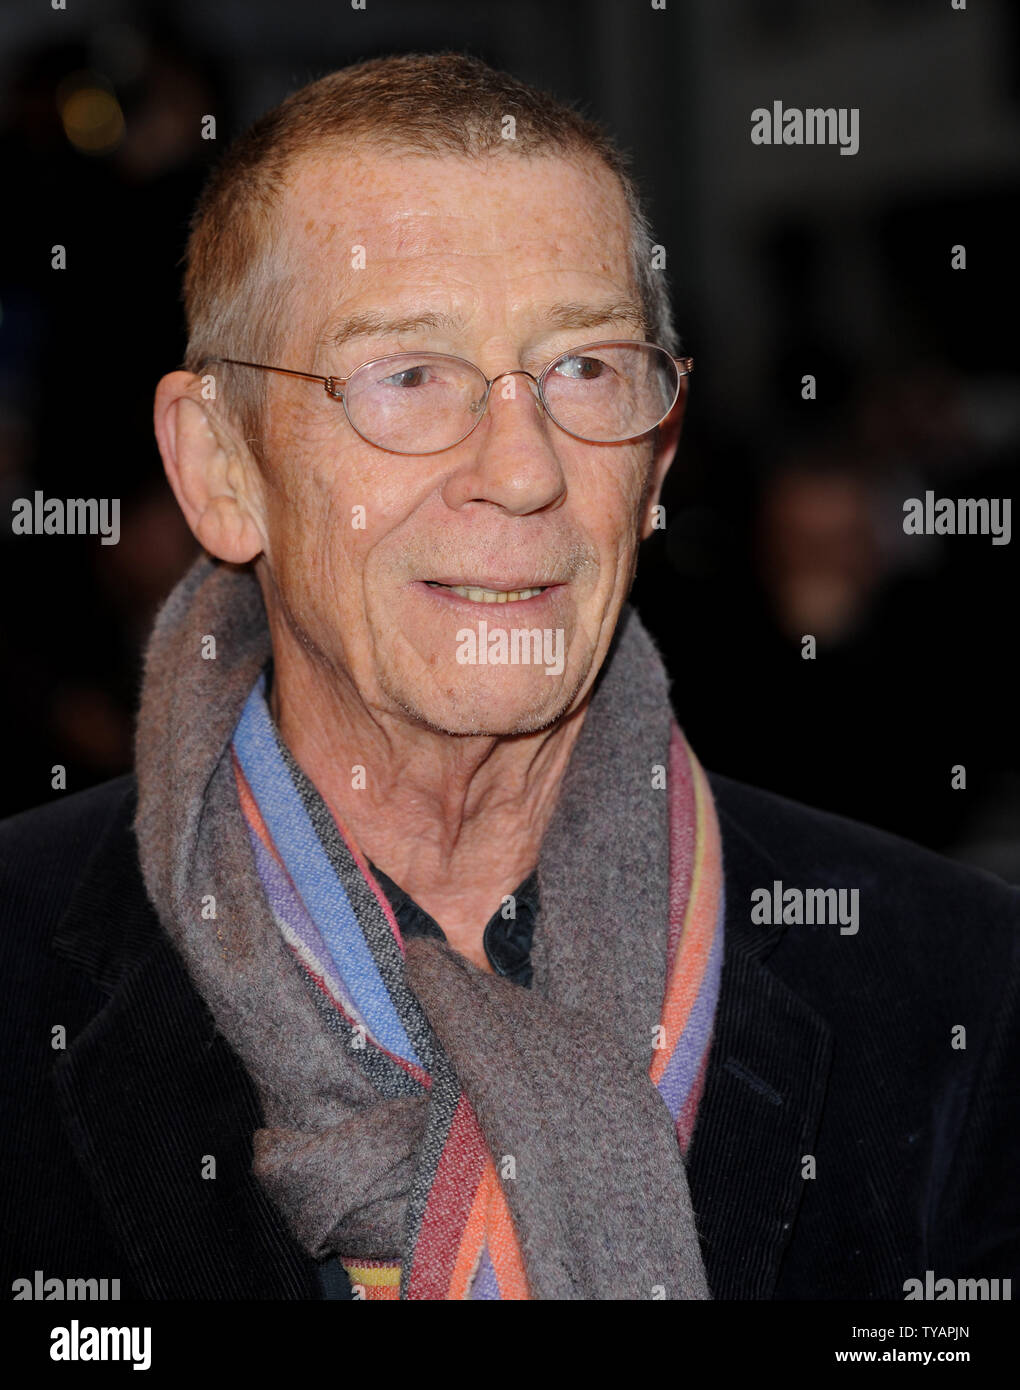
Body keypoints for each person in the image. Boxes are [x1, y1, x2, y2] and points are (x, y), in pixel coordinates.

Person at [3, 52, 1017, 1302]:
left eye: (587, 368)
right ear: (221, 466)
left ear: (657, 460)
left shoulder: (959, 995)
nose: (524, 467)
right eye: (409, 376)